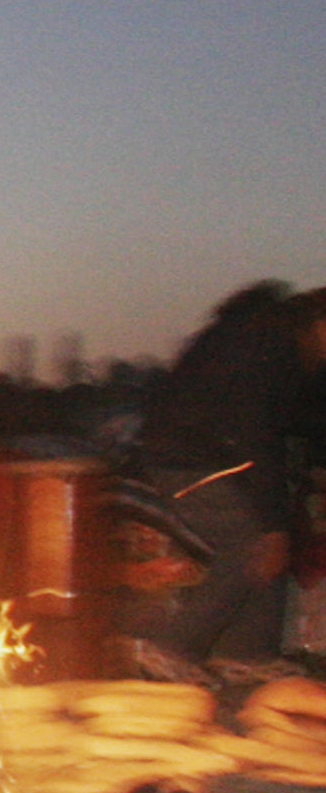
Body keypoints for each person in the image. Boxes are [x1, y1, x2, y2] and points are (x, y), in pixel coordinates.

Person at [118, 283, 326, 663]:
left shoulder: (266, 338)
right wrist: (274, 524)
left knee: (268, 558)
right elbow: (253, 430)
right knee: (251, 548)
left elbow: (301, 420)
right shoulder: (267, 344)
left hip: (199, 454)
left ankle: (246, 663)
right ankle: (168, 650)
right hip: (189, 459)